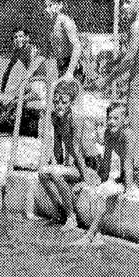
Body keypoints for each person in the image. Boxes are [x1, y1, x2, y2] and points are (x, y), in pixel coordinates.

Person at [98, 0, 139, 196]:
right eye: (122, 3)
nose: (123, 6)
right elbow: (136, 52)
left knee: (135, 134)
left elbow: (132, 57)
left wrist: (108, 79)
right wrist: (114, 61)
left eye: (127, 2)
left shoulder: (136, 26)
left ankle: (138, 184)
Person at [37, 79, 101, 231]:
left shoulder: (76, 119)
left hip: (89, 164)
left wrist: (86, 179)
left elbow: (77, 149)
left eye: (63, 102)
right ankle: (59, 213)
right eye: (56, 101)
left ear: (71, 103)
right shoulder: (56, 117)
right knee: (43, 174)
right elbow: (58, 146)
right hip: (77, 164)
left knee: (56, 174)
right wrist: (56, 164)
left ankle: (71, 217)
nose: (59, 105)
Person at [72, 101, 130, 247]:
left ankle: (89, 235)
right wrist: (94, 180)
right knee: (94, 191)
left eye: (116, 118)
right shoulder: (108, 134)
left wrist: (128, 189)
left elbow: (129, 165)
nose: (111, 122)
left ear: (125, 120)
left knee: (103, 194)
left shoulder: (127, 136)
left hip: (131, 177)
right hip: (118, 176)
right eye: (109, 118)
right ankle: (97, 235)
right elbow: (107, 161)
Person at [42, 0, 83, 84]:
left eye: (51, 5)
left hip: (72, 65)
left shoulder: (66, 22)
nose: (47, 9)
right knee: (58, 95)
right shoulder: (49, 24)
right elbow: (46, 51)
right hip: (61, 64)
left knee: (70, 96)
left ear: (60, 5)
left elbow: (77, 46)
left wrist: (70, 71)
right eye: (45, 6)